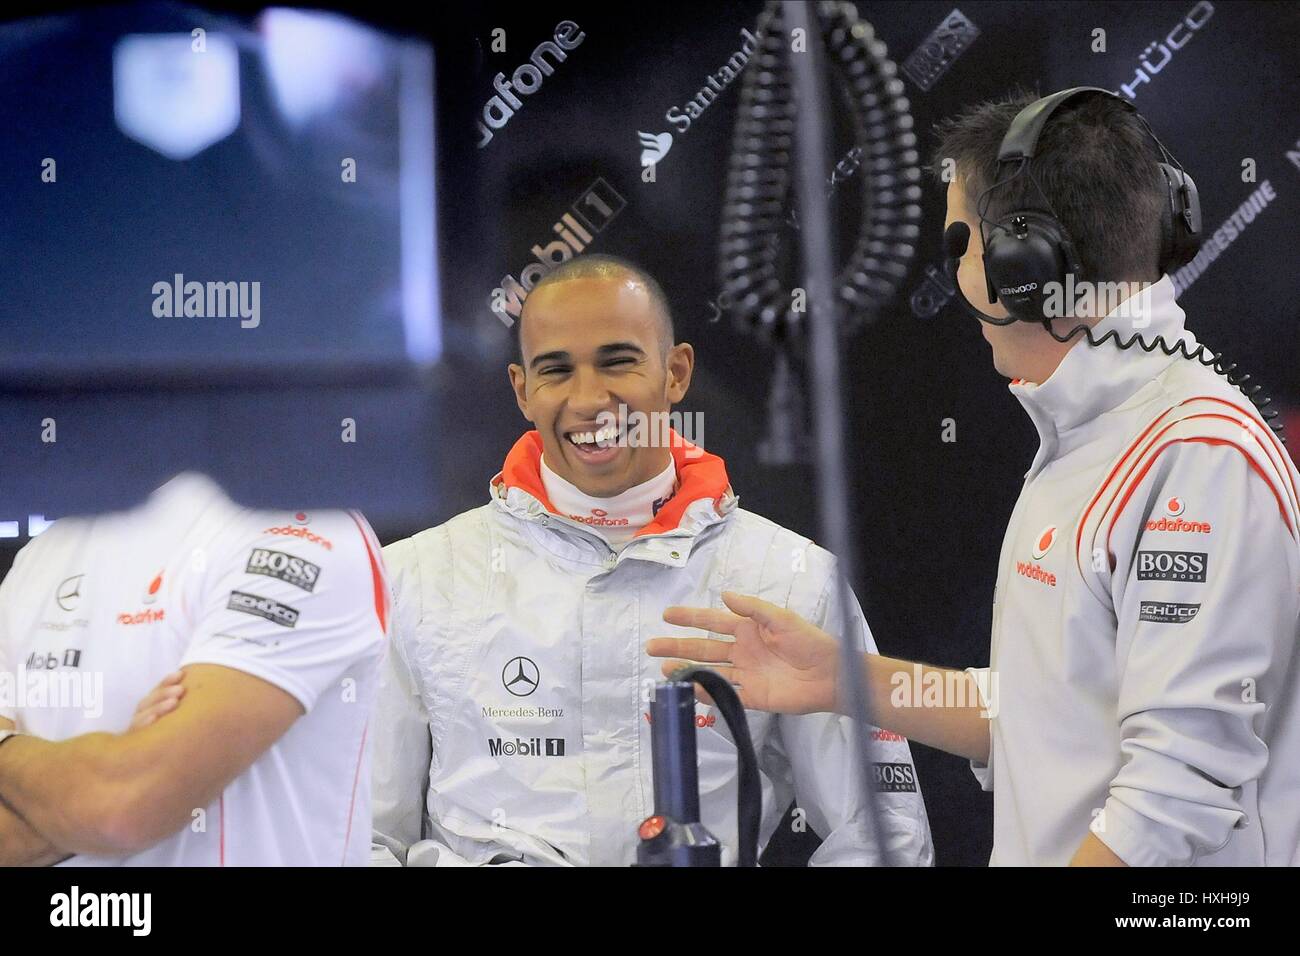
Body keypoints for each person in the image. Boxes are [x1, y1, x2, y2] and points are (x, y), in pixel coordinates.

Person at [650, 90, 1300, 866]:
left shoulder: (1198, 458)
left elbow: (1176, 792)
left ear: (1023, 267)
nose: (958, 269)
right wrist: (845, 681)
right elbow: (1039, 711)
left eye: (964, 241)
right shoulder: (1094, 438)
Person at [371, 254, 934, 866]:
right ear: (523, 389)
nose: (589, 399)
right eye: (556, 370)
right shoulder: (414, 578)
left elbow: (886, 838)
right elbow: (355, 839)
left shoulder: (789, 577)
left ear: (676, 372)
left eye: (618, 361)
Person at [0, 471, 388, 866]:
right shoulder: (41, 555)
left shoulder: (301, 528)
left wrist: (19, 756)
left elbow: (124, 808)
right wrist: (102, 781)